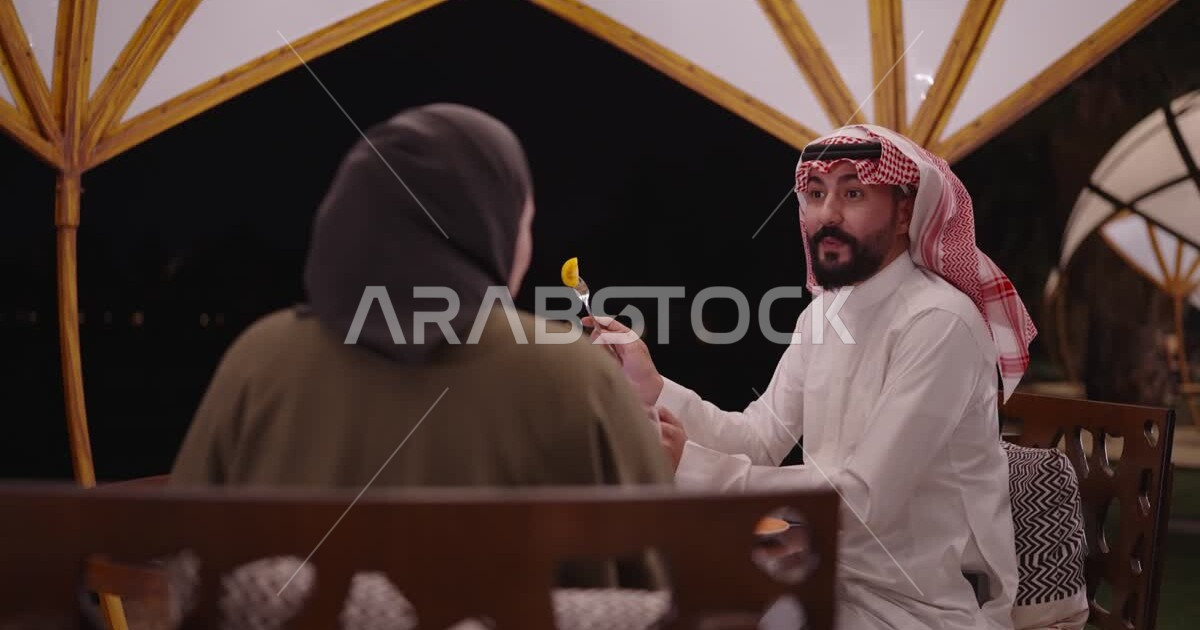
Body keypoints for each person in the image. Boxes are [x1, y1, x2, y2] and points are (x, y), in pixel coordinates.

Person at [169, 104, 672, 586]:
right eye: (524, 220)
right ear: (490, 228)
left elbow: (186, 563)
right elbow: (660, 584)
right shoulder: (575, 378)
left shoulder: (257, 360)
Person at [586, 124, 1037, 629]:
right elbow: (758, 440)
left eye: (853, 192)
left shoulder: (940, 322)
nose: (828, 214)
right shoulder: (823, 316)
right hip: (815, 579)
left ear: (905, 210)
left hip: (917, 608)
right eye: (816, 195)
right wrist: (654, 387)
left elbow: (863, 504)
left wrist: (690, 468)